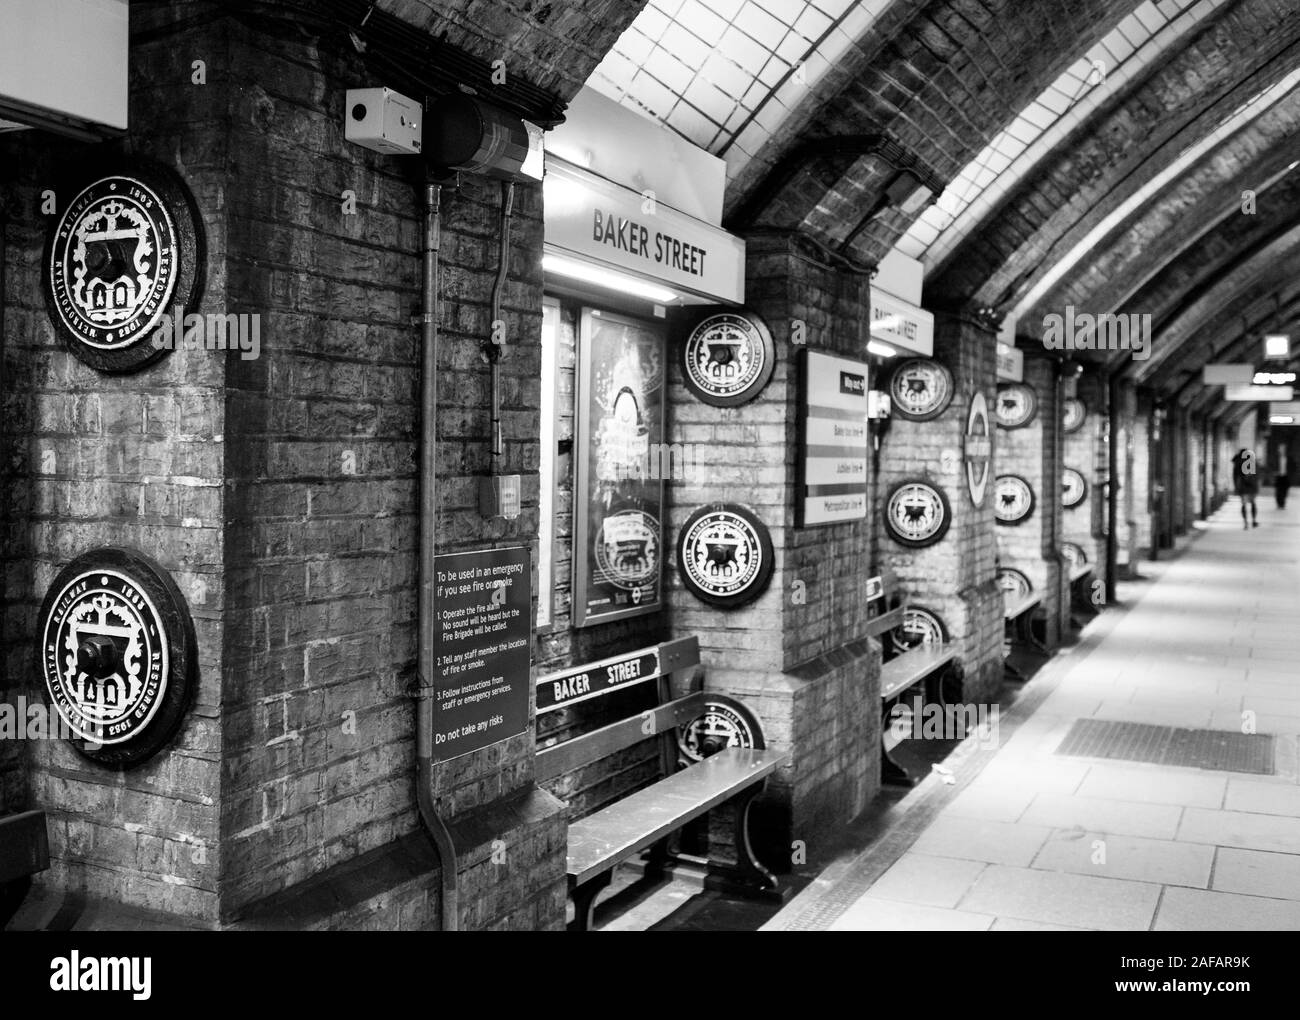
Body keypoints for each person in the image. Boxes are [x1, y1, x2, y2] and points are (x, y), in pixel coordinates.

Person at [1232, 448, 1258, 528]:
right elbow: (1256, 475)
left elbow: (1235, 477)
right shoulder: (1251, 461)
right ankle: (1253, 520)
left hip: (1243, 487)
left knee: (1243, 504)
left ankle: (1245, 522)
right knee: (1253, 503)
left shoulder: (1237, 463)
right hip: (1251, 487)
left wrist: (1236, 487)